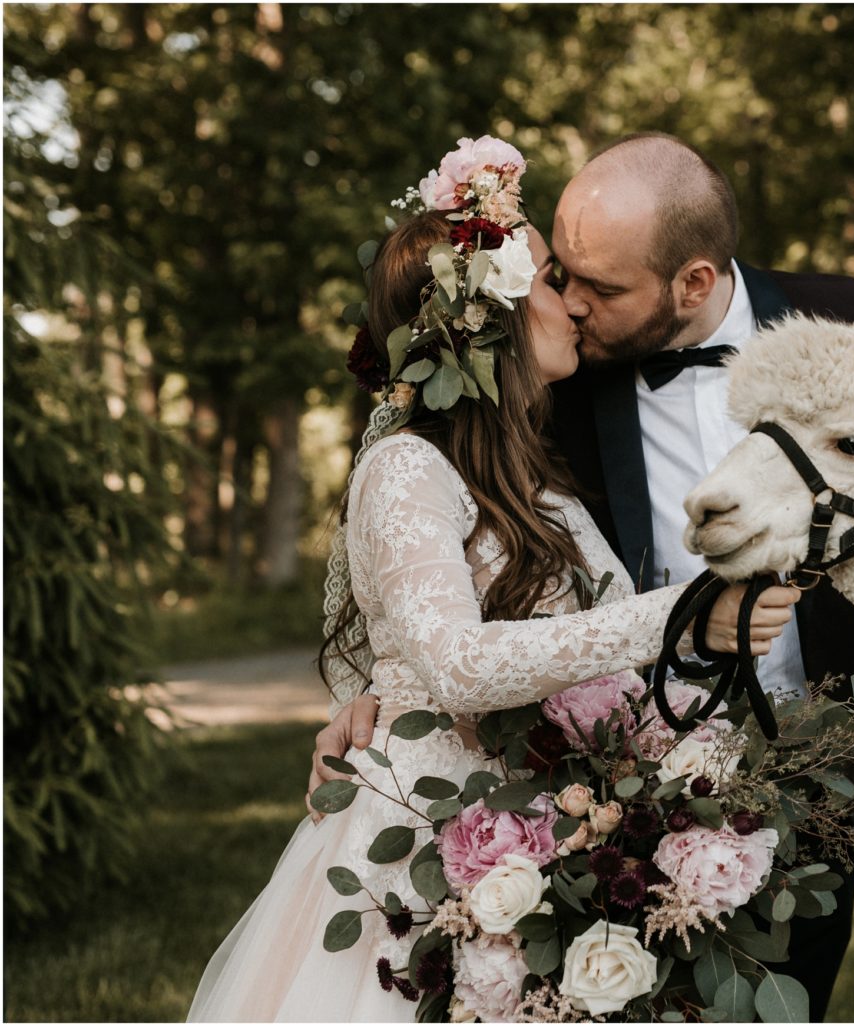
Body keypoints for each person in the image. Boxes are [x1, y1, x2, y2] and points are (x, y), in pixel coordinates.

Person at [313, 133, 854, 1021]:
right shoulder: (550, 373)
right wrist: (375, 691)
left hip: (818, 775)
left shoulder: (847, 318)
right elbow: (436, 556)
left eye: (596, 287)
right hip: (622, 800)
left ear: (695, 282)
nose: (569, 301)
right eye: (558, 276)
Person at [189, 140, 800, 1021]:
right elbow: (456, 663)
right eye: (553, 282)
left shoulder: (541, 482)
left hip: (535, 841)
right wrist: (690, 616)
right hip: (420, 861)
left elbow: (605, 664)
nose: (576, 304)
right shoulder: (406, 469)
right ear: (494, 320)